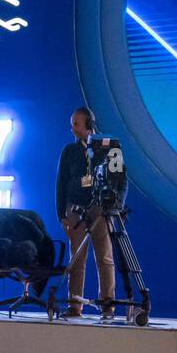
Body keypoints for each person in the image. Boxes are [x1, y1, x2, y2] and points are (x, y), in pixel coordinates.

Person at [55, 106, 116, 317]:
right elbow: (60, 183)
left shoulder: (105, 149)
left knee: (104, 258)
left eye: (76, 124)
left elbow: (117, 179)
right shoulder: (69, 151)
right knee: (77, 259)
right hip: (75, 211)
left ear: (89, 125)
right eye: (72, 124)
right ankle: (74, 305)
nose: (72, 128)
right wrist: (61, 214)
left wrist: (113, 206)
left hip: (100, 211)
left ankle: (108, 305)